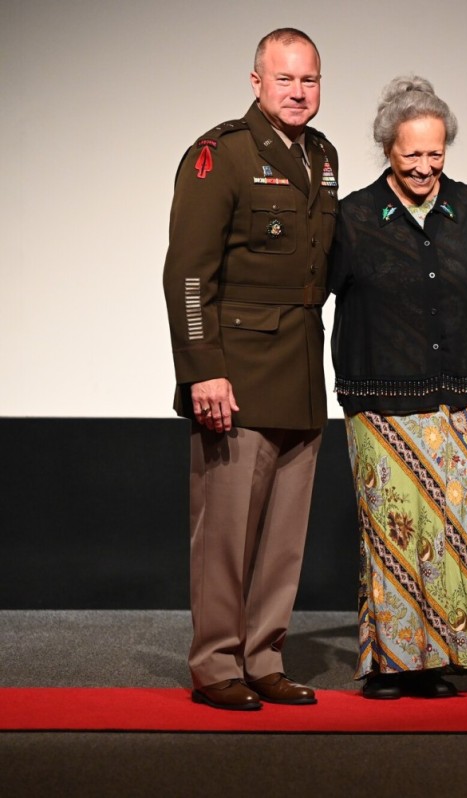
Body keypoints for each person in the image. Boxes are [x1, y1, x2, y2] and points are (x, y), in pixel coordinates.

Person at [162, 28, 338, 711]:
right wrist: (202, 369)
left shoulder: (322, 156)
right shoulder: (221, 155)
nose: (298, 92)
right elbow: (188, 274)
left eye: (309, 79)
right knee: (225, 536)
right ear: (257, 81)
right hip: (235, 376)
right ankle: (216, 665)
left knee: (284, 540)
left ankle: (264, 658)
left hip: (300, 370)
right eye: (284, 78)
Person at [328, 77, 467, 700]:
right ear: (388, 148)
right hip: (381, 402)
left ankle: (437, 663)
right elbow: (314, 295)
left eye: (436, 153)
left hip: (456, 399)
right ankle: (390, 664)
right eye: (412, 154)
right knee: (396, 536)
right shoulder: (355, 216)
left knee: (453, 537)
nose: (425, 167)